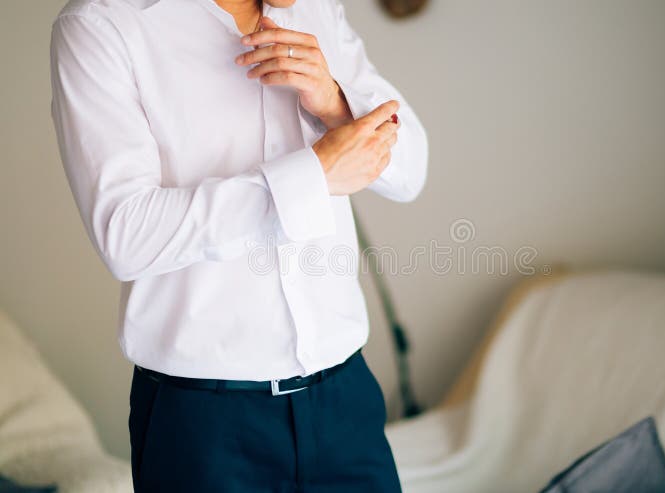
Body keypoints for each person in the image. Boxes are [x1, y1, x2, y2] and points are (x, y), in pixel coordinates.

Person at [48, 0, 428, 490]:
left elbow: (411, 170)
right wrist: (313, 176)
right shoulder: (102, 24)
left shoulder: (317, 11)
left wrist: (334, 103)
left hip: (345, 401)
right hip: (204, 426)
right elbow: (125, 233)